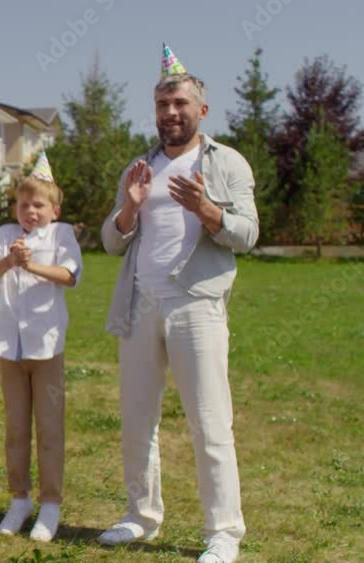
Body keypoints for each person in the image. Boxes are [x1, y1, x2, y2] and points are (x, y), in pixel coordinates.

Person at [97, 45, 258, 563]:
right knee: (137, 418)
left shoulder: (226, 161)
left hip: (197, 304)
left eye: (180, 104)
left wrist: (208, 210)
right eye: (163, 103)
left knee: (210, 422)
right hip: (141, 304)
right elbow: (111, 240)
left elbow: (248, 234)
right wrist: (129, 208)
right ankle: (140, 516)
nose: (171, 112)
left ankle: (224, 532)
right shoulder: (140, 165)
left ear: (201, 110)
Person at [0, 153, 82, 541]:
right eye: (24, 205)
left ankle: (50, 503)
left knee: (50, 427)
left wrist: (31, 265)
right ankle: (19, 497)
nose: (30, 211)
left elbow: (70, 275)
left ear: (54, 210)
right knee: (16, 427)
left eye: (38, 205)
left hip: (46, 347)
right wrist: (9, 261)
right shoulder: (4, 236)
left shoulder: (62, 235)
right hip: (10, 347)